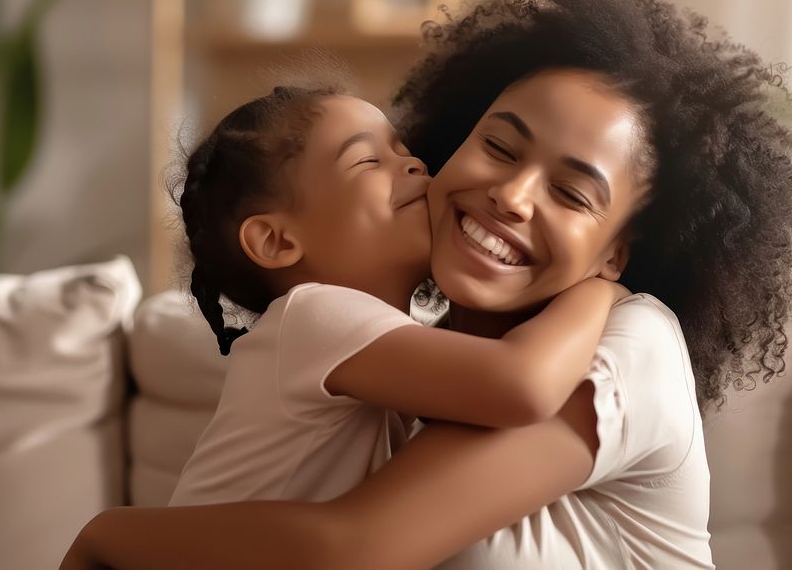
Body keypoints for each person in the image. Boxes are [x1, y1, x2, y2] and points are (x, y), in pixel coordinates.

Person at [61, 0, 792, 569]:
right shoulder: (399, 350)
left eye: (571, 190)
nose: (513, 196)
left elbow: (356, 543)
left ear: (617, 251)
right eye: (498, 144)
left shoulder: (633, 342)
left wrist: (108, 536)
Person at [166, 81, 625, 507]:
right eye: (368, 161)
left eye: (401, 149)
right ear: (278, 242)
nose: (415, 164)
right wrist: (596, 290)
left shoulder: (370, 346)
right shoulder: (313, 316)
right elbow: (521, 386)